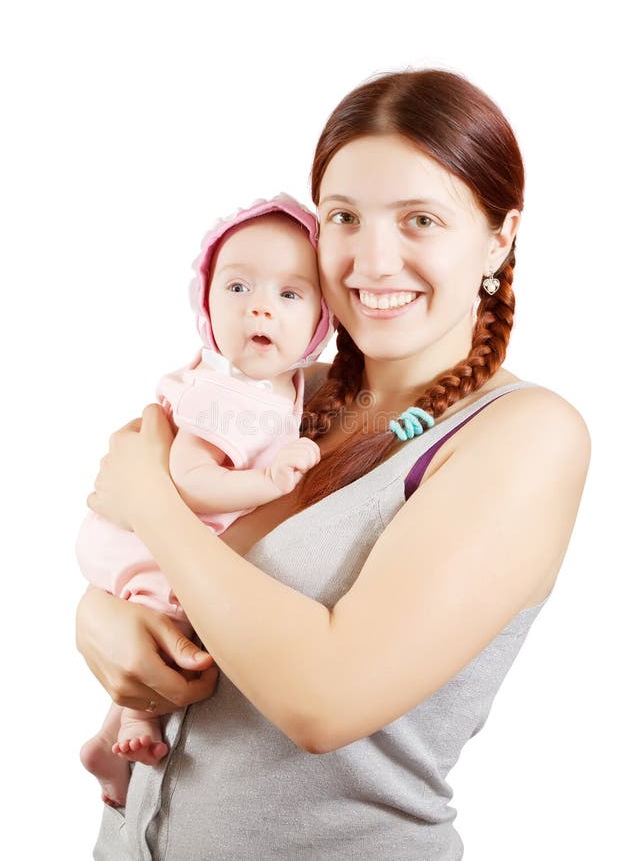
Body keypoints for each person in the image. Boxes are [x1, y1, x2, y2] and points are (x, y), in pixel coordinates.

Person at [77, 69, 591, 860]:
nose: (372, 262)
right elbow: (127, 515)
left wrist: (154, 502)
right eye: (344, 217)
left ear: (498, 237)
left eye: (419, 219)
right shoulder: (282, 393)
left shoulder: (521, 435)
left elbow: (321, 698)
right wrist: (99, 620)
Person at [77, 194, 335, 809]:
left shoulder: (282, 385)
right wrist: (269, 482)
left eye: (291, 294)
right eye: (238, 286)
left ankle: (103, 748)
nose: (260, 306)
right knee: (169, 629)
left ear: (322, 319)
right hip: (148, 543)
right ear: (206, 301)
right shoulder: (230, 391)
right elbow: (188, 477)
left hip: (163, 532)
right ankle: (133, 725)